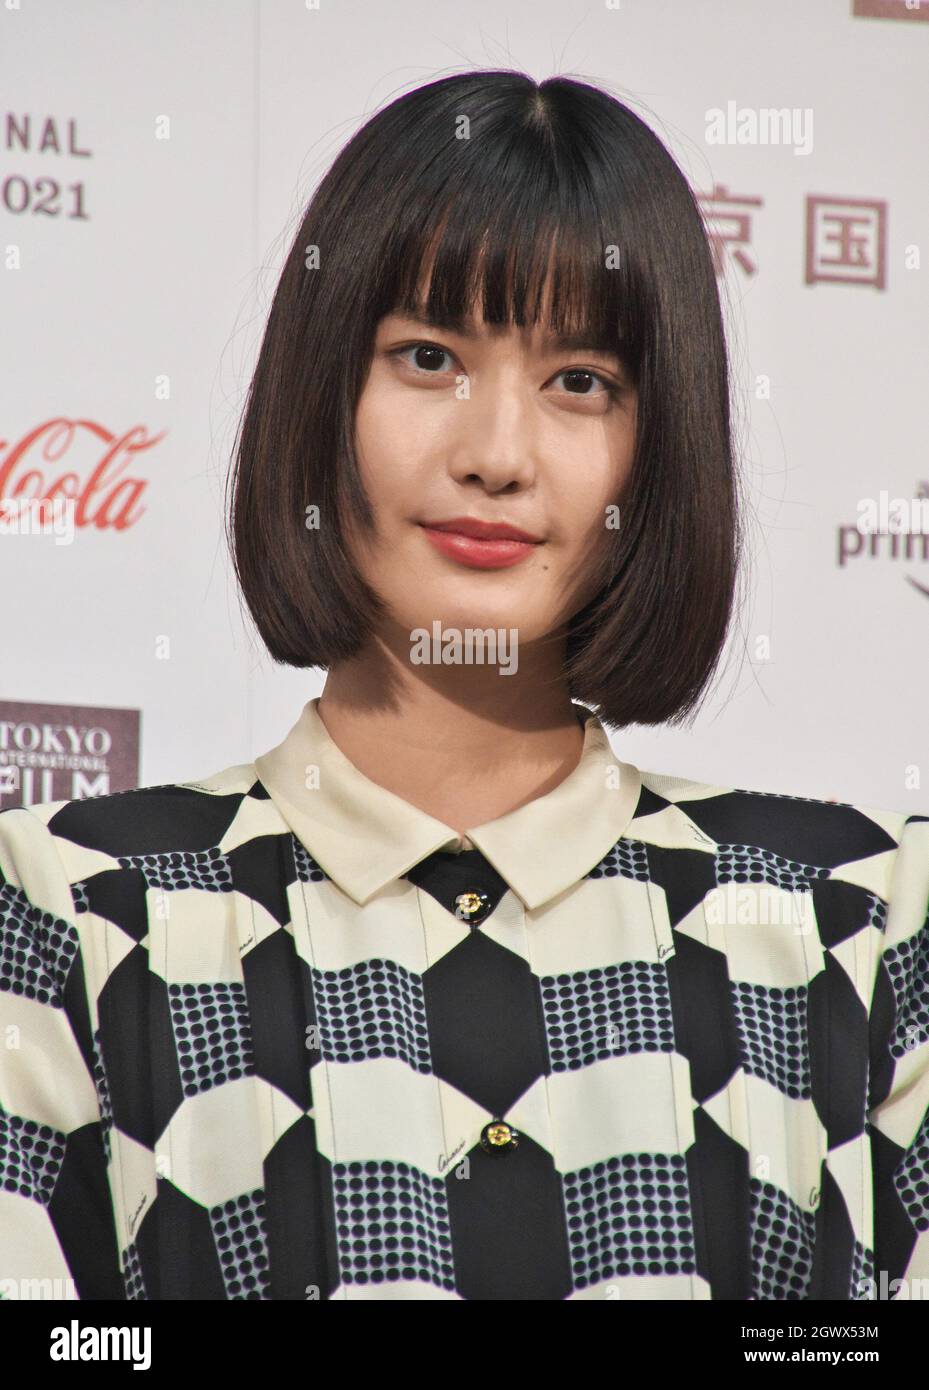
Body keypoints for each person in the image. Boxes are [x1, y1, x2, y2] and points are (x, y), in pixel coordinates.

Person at [1, 69, 926, 1303]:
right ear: (319, 396)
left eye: (579, 381)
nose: (494, 454)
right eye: (427, 357)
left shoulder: (852, 924)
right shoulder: (82, 908)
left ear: (658, 451)